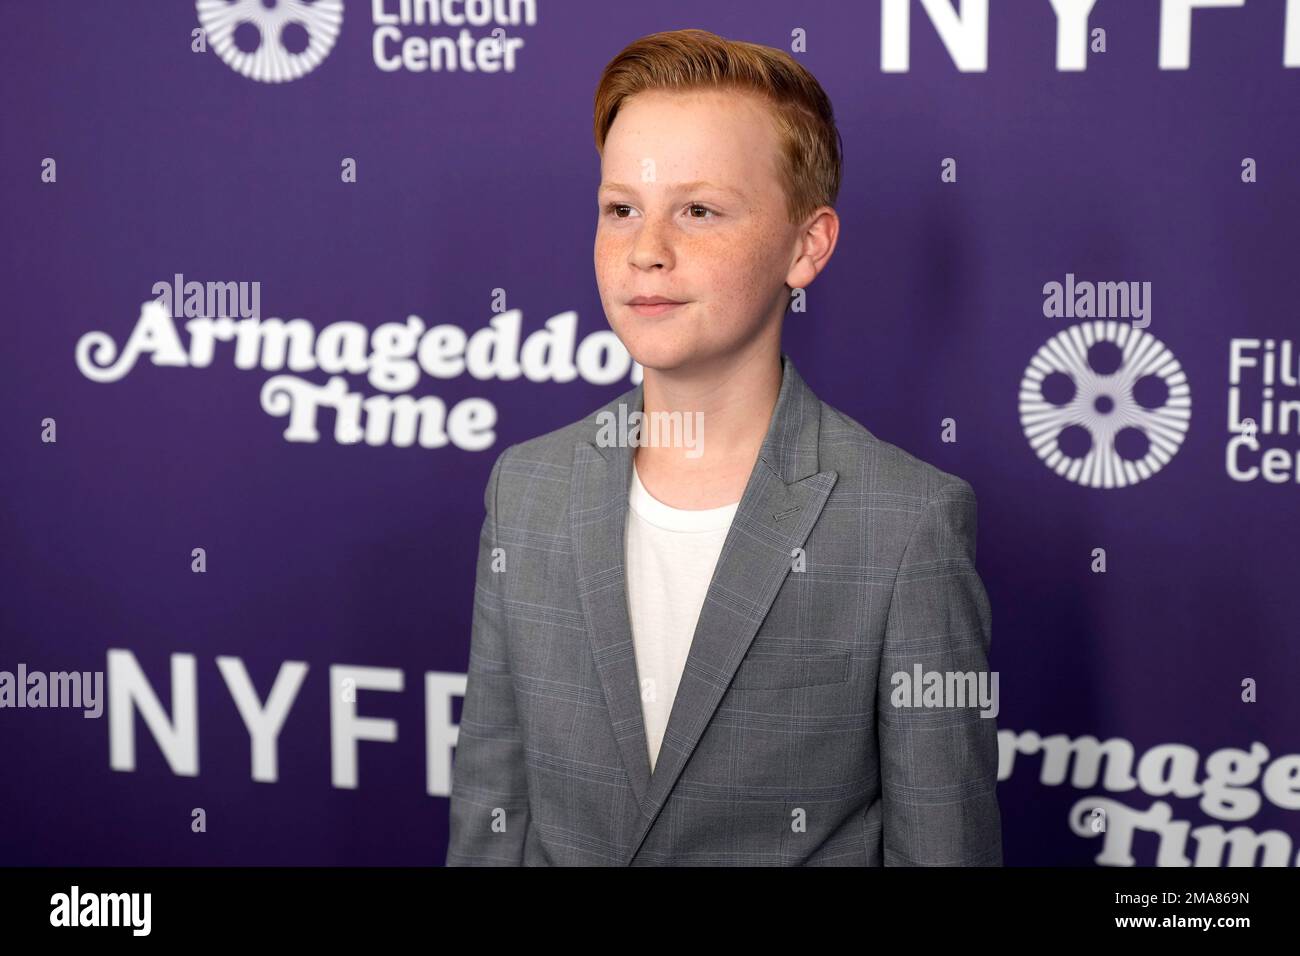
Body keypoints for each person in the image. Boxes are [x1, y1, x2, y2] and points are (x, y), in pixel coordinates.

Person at [447, 28, 1002, 866]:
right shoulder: (525, 490)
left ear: (806, 246)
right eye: (621, 208)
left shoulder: (905, 524)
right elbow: (494, 809)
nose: (646, 251)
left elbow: (942, 847)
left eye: (699, 211)